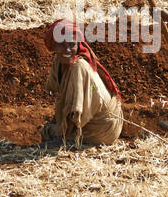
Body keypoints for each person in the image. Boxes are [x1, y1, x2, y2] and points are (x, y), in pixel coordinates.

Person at [40, 19, 123, 147]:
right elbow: (60, 94)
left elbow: (77, 110)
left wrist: (60, 135)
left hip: (101, 130)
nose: (67, 50)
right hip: (98, 124)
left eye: (71, 44)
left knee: (47, 132)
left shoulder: (78, 66)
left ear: (78, 44)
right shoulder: (59, 61)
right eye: (61, 44)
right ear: (53, 46)